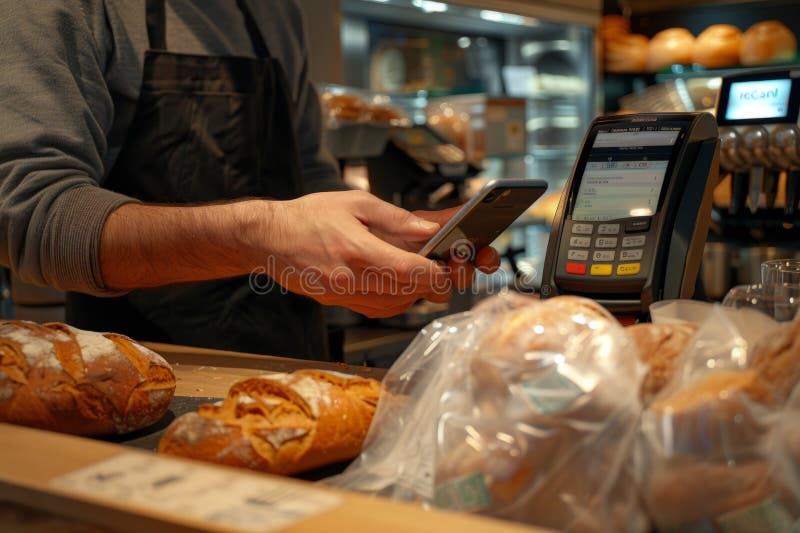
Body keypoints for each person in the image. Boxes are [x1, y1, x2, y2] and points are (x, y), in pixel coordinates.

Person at [0, 0, 498, 360]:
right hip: (139, 377)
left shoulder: (275, 12)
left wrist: (383, 240)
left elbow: (311, 176)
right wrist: (258, 235)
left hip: (294, 364)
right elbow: (28, 214)